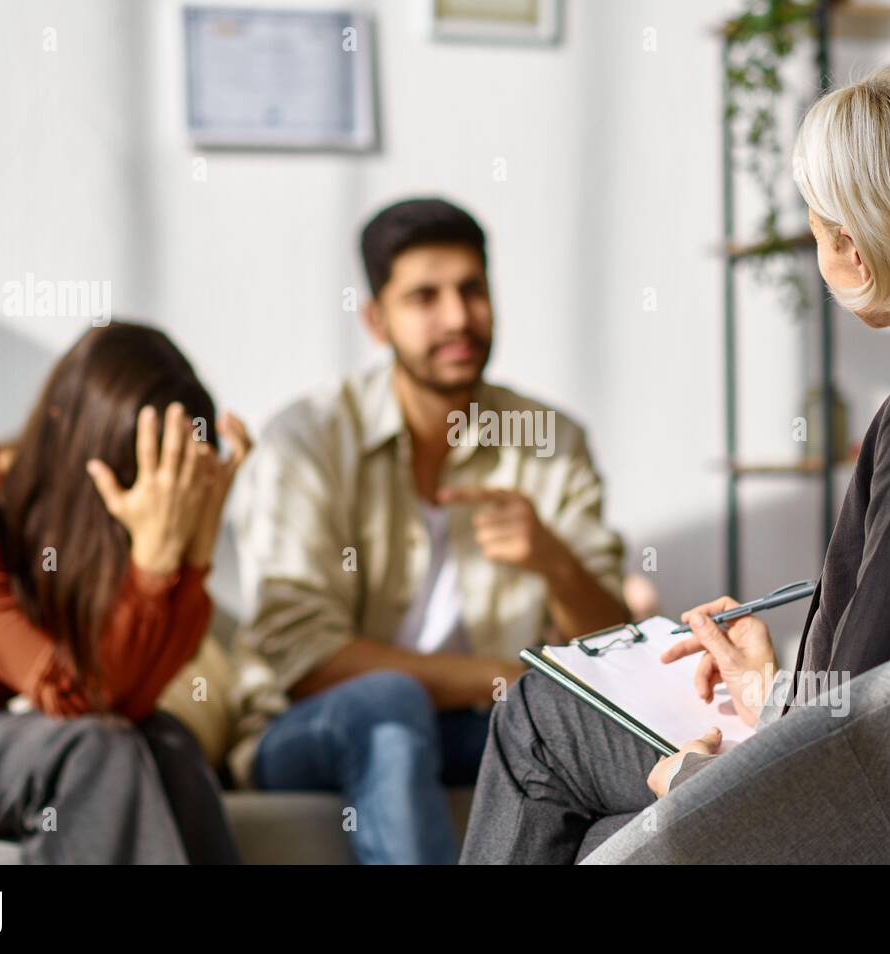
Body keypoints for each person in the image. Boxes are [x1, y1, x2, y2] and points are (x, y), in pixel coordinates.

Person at [459, 60, 890, 864]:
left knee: (542, 715)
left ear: (852, 248)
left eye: (820, 227)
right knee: (609, 842)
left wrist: (695, 779)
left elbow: (863, 738)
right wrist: (773, 692)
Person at [231, 197, 628, 864]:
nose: (457, 318)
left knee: (603, 736)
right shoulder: (307, 442)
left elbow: (615, 653)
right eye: (425, 297)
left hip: (484, 726)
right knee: (390, 705)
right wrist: (502, 676)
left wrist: (557, 565)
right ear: (376, 320)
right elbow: (305, 660)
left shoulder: (551, 441)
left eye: (472, 290)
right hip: (308, 730)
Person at [0, 322, 251, 864]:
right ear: (69, 429)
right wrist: (153, 566)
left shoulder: (62, 533)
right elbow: (71, 698)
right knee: (93, 755)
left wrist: (196, 553)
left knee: (168, 741)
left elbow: (124, 700)